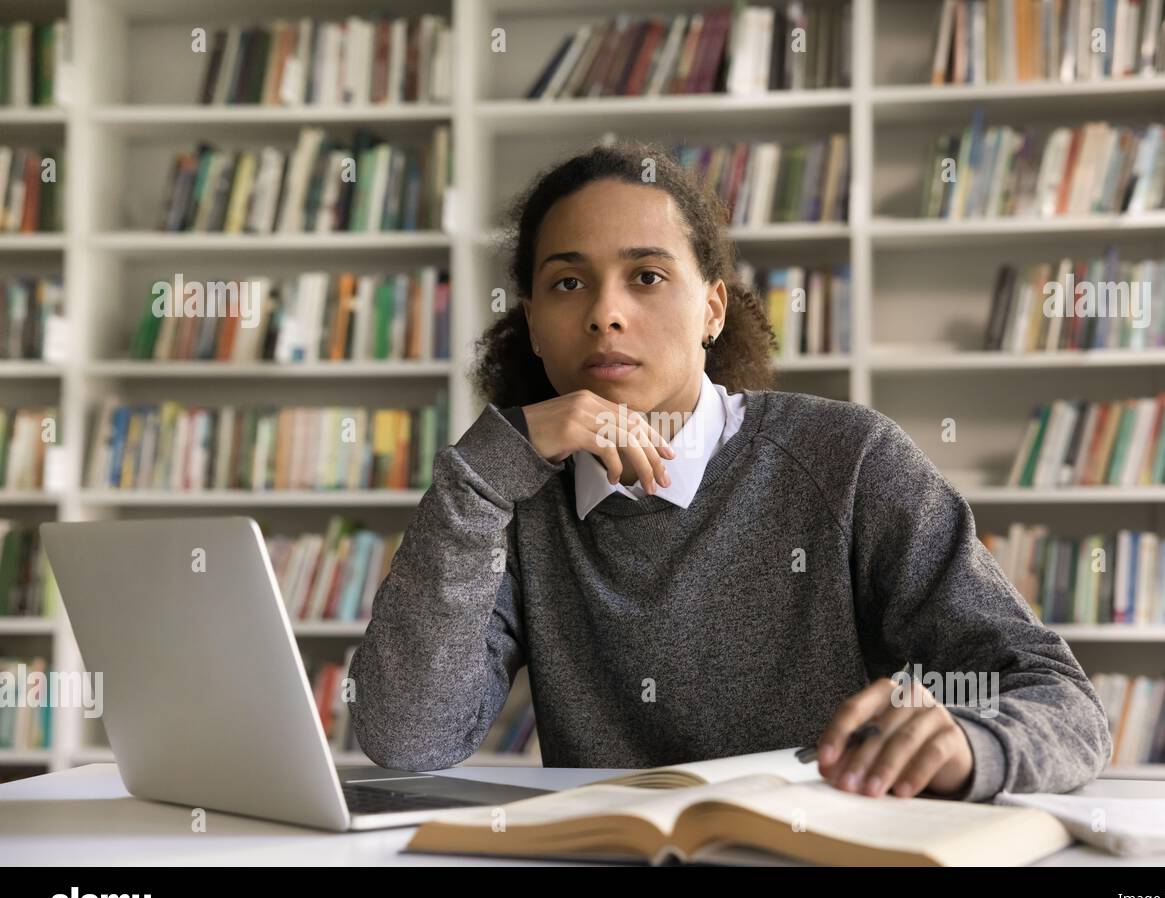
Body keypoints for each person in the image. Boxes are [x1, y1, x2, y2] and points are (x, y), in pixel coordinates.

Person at [347, 141, 1113, 802]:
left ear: (713, 309)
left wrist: (975, 745)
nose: (604, 313)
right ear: (535, 326)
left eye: (646, 276)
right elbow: (407, 737)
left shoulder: (847, 460)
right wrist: (478, 473)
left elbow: (1062, 701)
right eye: (567, 283)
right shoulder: (508, 496)